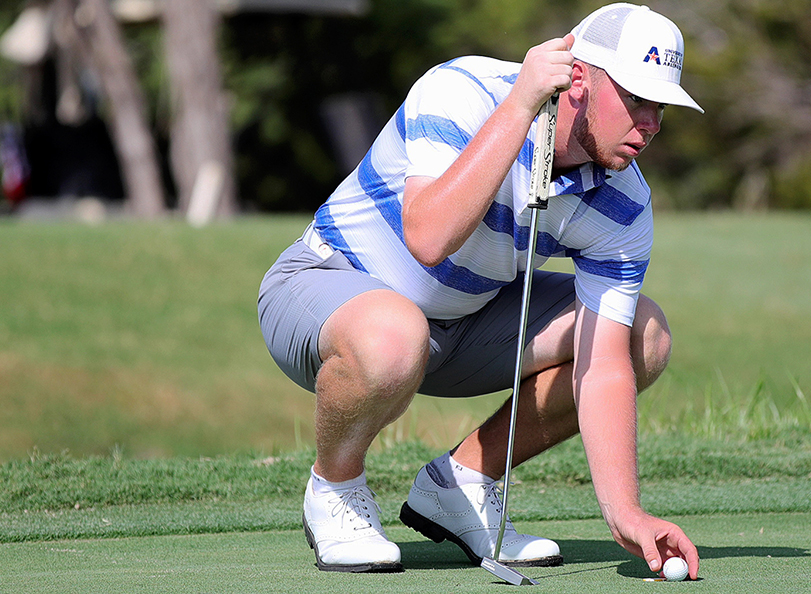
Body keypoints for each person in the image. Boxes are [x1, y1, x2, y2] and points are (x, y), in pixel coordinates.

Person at [258, 2, 703, 579]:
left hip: (462, 323)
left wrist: (625, 513)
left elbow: (604, 367)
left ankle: (461, 483)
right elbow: (428, 237)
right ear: (577, 79)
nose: (650, 123)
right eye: (636, 99)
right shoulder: (463, 91)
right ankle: (335, 488)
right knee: (393, 335)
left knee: (644, 336)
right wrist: (520, 106)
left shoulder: (625, 202)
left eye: (660, 106)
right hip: (324, 289)